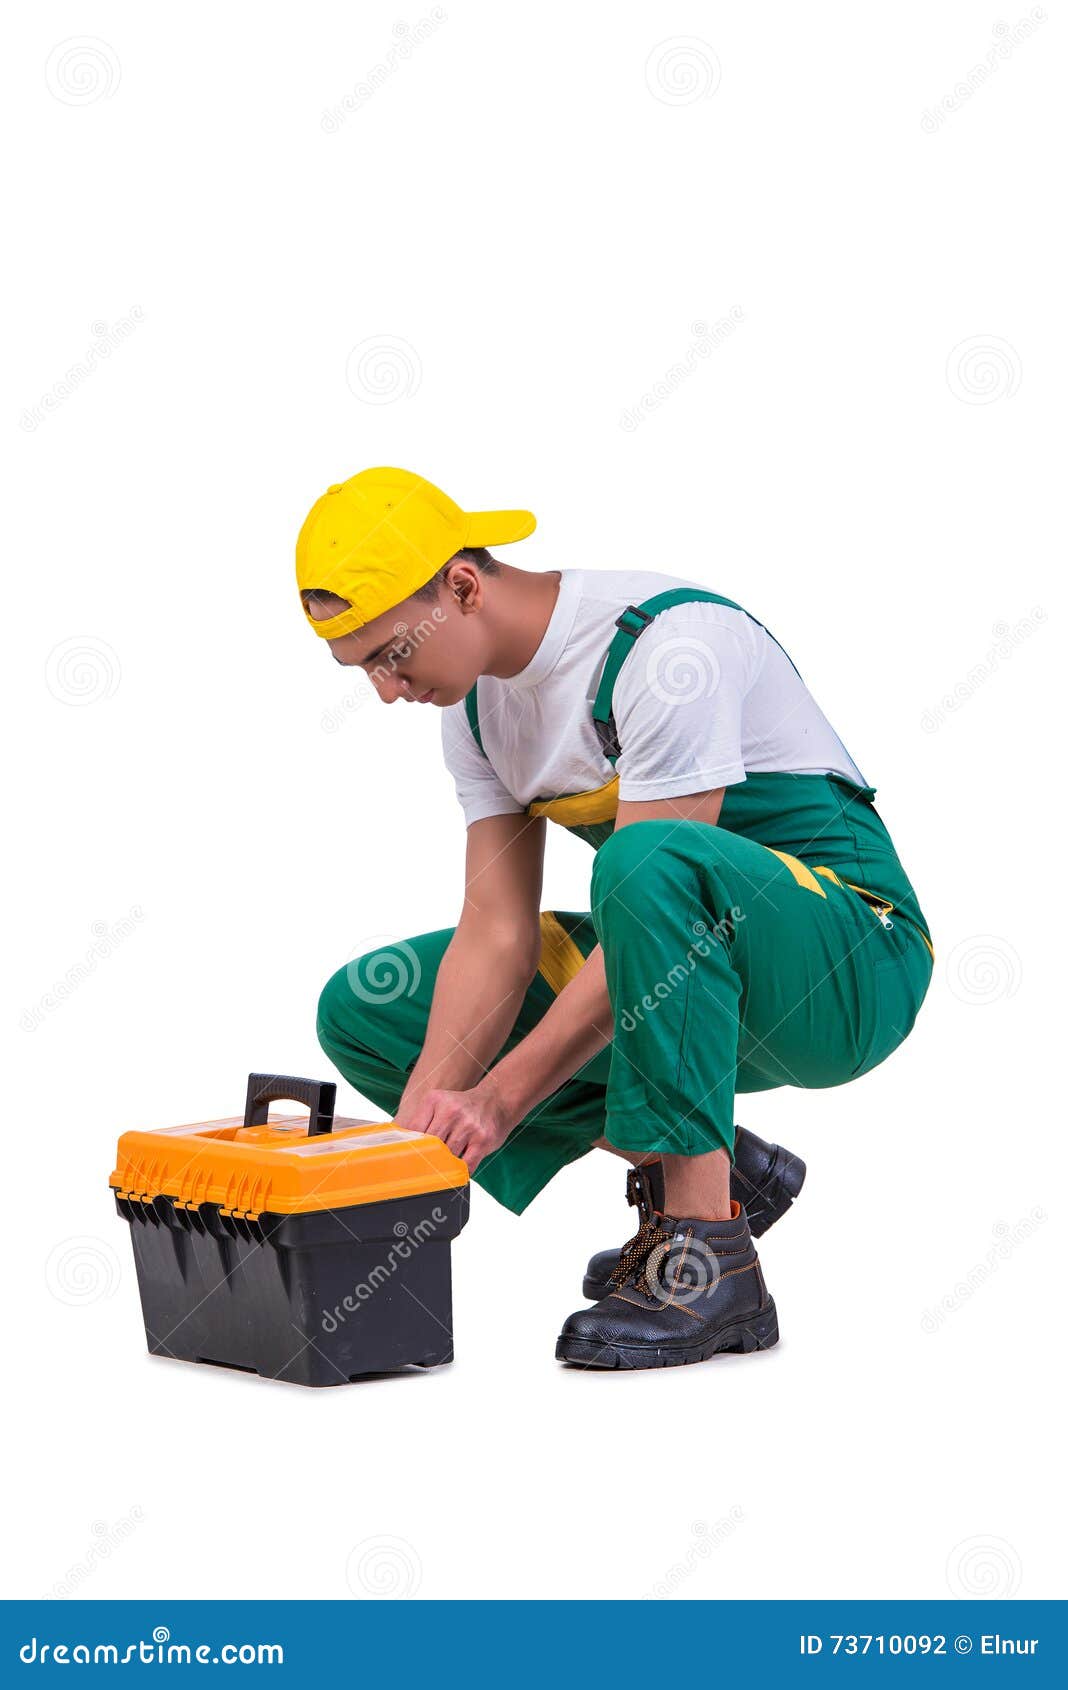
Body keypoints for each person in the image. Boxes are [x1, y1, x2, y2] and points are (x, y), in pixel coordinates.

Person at [299, 466, 933, 1370]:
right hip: (687, 973)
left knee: (646, 861)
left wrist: (504, 1096)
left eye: (391, 654)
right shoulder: (478, 712)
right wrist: (406, 1161)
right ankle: (719, 1170)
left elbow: (660, 880)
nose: (385, 690)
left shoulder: (667, 646)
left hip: (849, 964)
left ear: (463, 587)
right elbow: (498, 934)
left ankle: (709, 1257)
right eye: (361, 667)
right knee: (369, 1006)